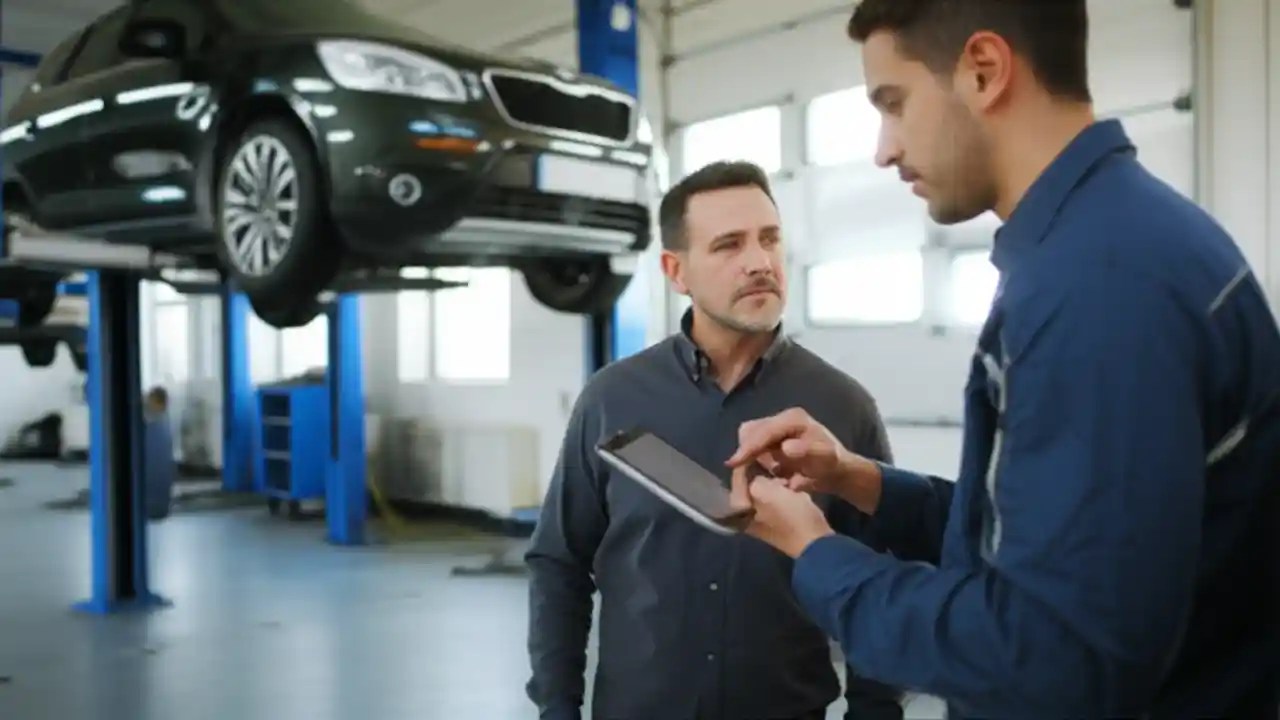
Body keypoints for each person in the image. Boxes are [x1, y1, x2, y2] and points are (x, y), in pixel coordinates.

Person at [724, 1, 1280, 718]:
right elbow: (1052, 540)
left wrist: (818, 554)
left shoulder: (1097, 286)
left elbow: (1052, 659)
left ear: (984, 71)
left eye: (893, 103)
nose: (883, 150)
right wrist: (859, 480)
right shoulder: (1121, 241)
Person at [525, 160, 905, 720]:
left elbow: (881, 579)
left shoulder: (842, 408)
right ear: (676, 271)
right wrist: (558, 708)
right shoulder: (612, 399)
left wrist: (875, 713)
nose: (759, 262)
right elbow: (559, 563)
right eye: (729, 245)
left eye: (769, 239)